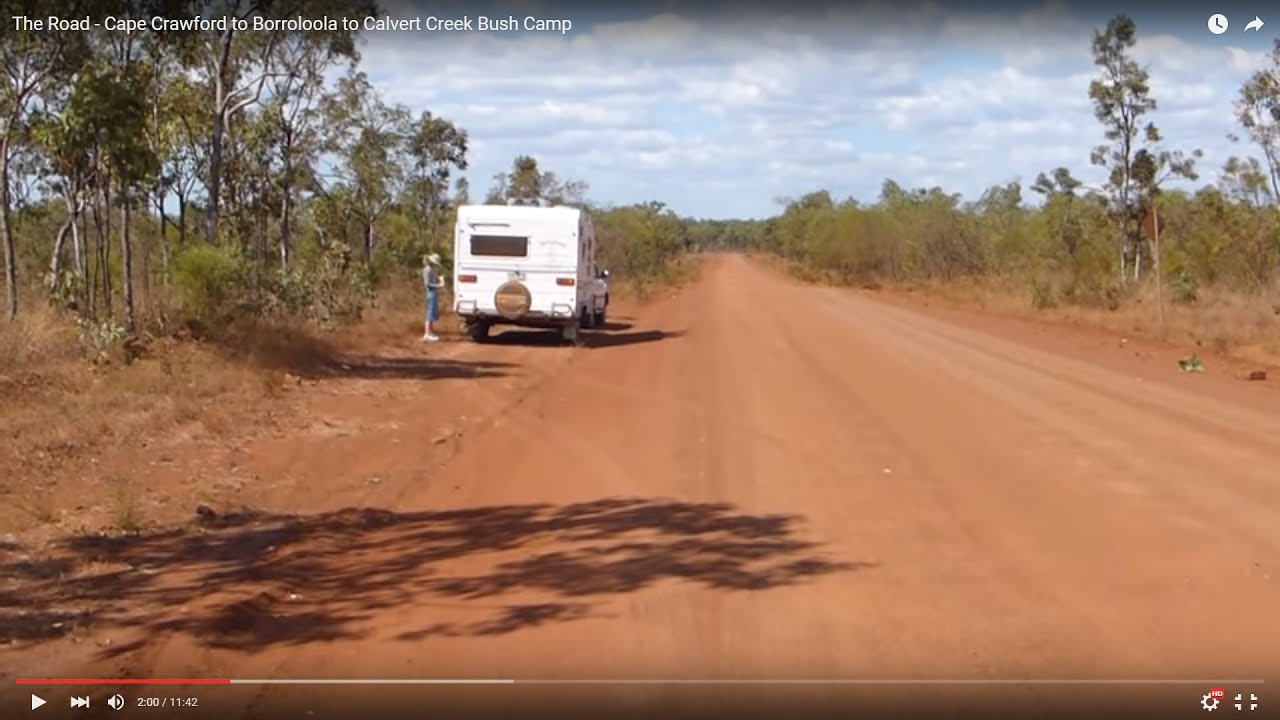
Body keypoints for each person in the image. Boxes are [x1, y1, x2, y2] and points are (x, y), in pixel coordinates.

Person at [422, 253, 445, 342]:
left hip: (434, 293)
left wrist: (439, 280)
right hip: (431, 293)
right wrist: (439, 285)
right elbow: (427, 284)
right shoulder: (427, 270)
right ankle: (427, 334)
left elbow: (433, 280)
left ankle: (430, 332)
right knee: (429, 314)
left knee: (432, 314)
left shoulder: (432, 269)